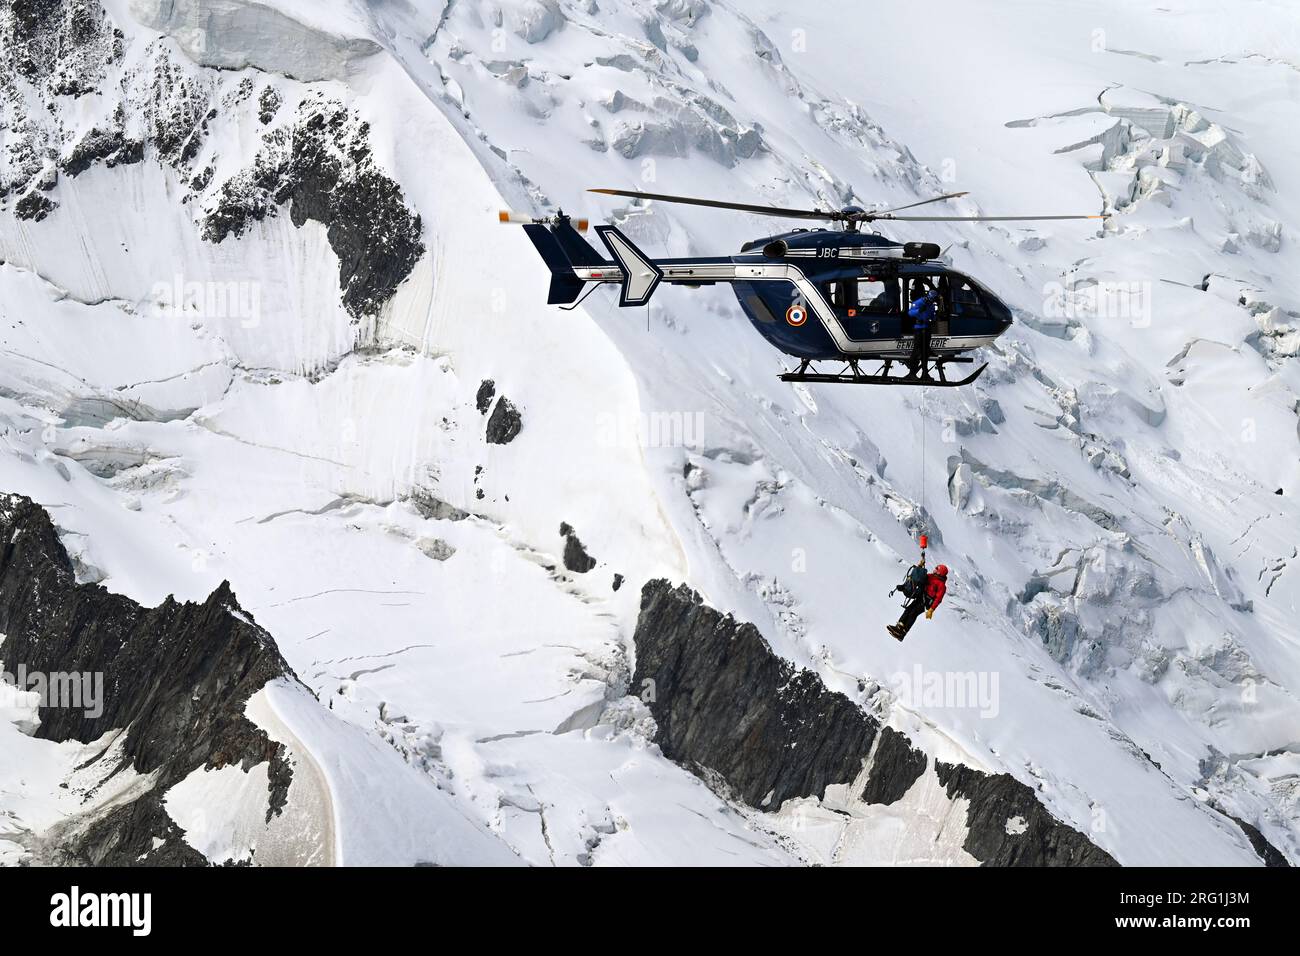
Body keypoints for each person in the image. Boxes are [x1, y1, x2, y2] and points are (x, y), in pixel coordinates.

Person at [888, 563, 948, 641]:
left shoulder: (942, 586)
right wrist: (920, 566)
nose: (935, 569)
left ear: (940, 572)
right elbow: (918, 578)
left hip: (927, 602)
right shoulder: (930, 576)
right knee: (909, 609)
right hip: (920, 597)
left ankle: (903, 632)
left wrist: (931, 609)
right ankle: (899, 626)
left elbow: (938, 599)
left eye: (937, 568)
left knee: (914, 612)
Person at [906, 280, 939, 376]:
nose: (931, 301)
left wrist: (934, 317)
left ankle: (925, 371)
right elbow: (910, 313)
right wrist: (919, 311)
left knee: (925, 350)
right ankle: (912, 371)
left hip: (927, 328)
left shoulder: (932, 306)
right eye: (930, 299)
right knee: (916, 349)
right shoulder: (919, 302)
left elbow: (931, 316)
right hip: (918, 328)